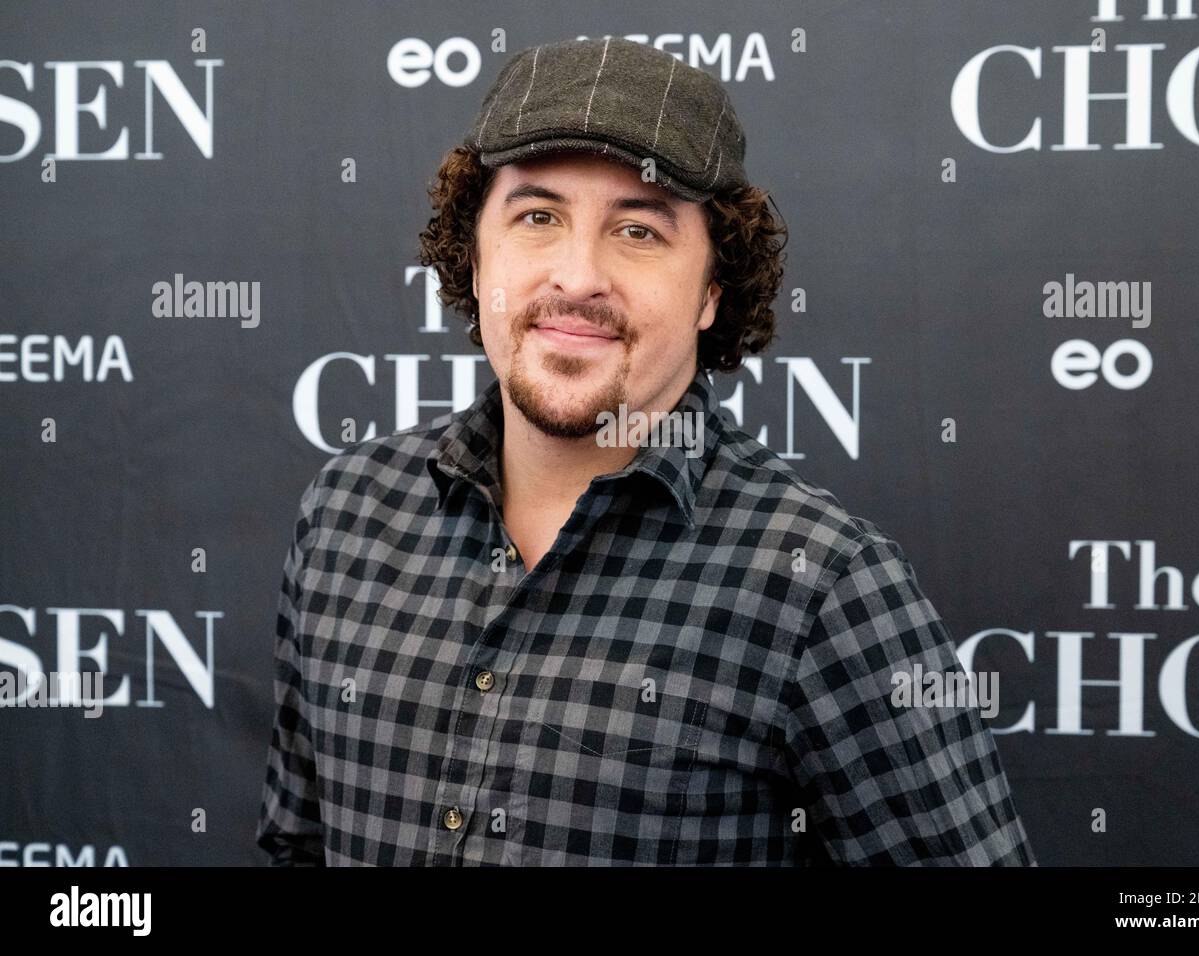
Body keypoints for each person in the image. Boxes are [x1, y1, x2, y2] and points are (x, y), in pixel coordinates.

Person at [255, 36, 1037, 866]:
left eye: (637, 230)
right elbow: (294, 848)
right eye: (537, 217)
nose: (578, 275)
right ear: (474, 254)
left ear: (712, 291)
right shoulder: (345, 515)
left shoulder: (822, 584)